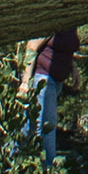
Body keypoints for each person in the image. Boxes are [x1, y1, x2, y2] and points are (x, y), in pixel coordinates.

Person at [16, 28, 80, 165]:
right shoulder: (53, 23)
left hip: (57, 82)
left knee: (31, 124)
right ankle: (47, 170)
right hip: (43, 79)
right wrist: (25, 82)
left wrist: (73, 69)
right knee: (46, 126)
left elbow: (66, 48)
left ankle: (13, 162)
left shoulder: (72, 24)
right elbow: (31, 47)